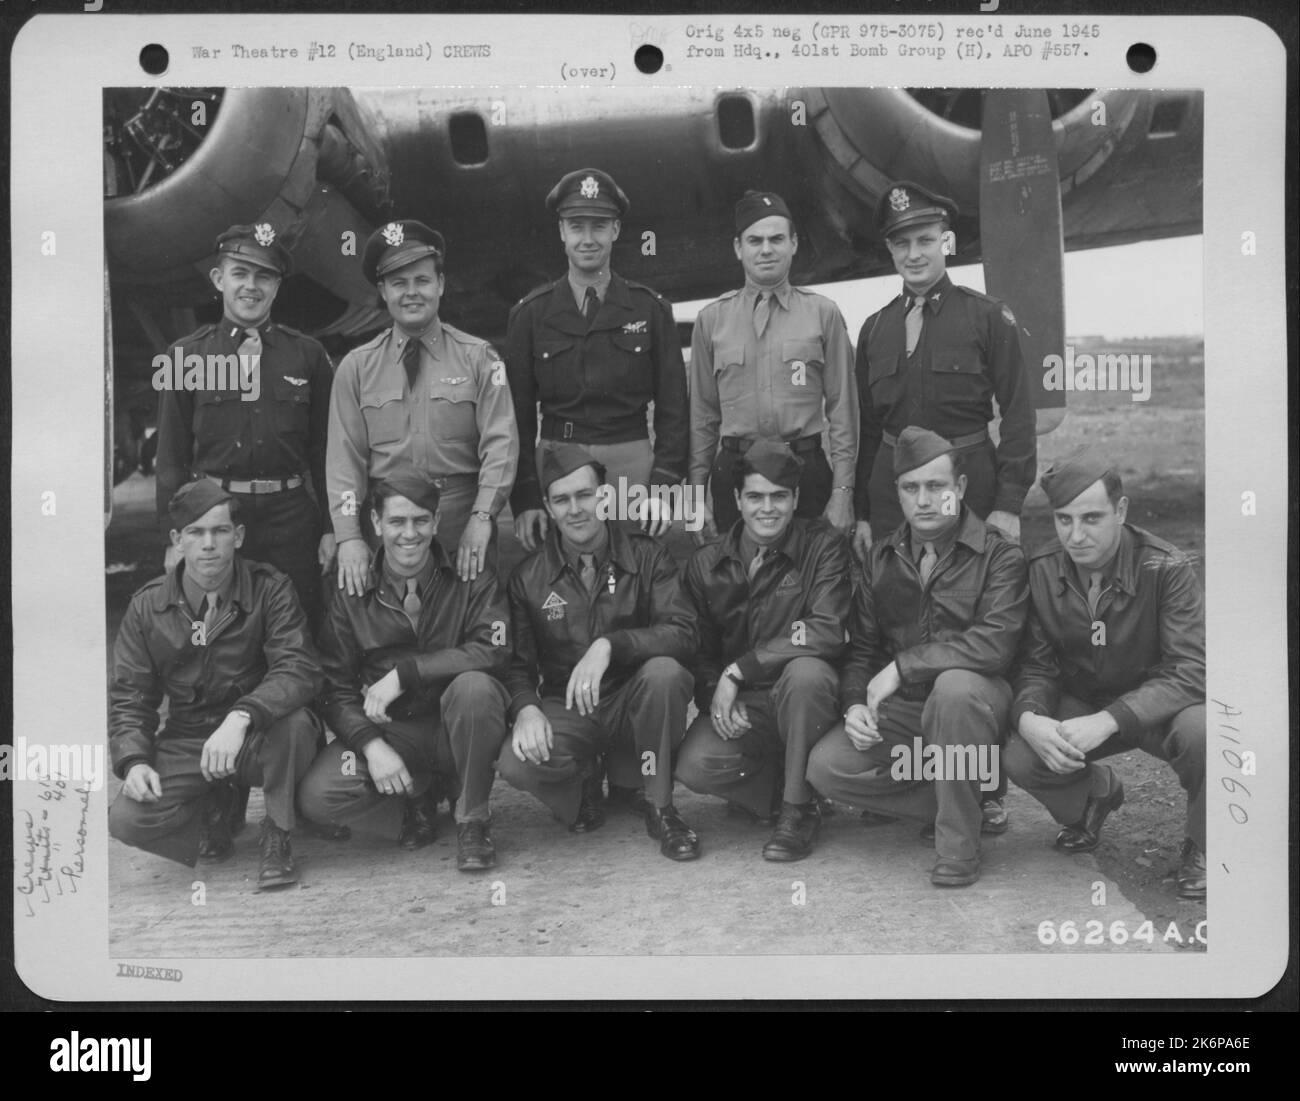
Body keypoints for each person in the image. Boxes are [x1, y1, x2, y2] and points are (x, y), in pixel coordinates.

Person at [807, 427, 1028, 887]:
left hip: (980, 707)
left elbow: (994, 644)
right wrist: (853, 705)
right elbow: (862, 649)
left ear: (960, 489)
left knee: (954, 688)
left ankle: (958, 847)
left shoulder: (999, 553)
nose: (924, 500)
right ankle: (969, 794)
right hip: (910, 714)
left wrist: (904, 666)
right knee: (827, 766)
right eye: (911, 488)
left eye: (937, 487)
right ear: (898, 494)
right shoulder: (881, 557)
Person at [1004, 449, 1206, 900]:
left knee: (1204, 730)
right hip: (1083, 699)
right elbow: (1035, 664)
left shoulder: (1166, 566)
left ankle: (1206, 842)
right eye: (1063, 520)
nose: (1076, 536)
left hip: (1158, 706)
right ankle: (1093, 796)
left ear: (1121, 511)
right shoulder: (1040, 570)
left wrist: (1111, 719)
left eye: (1092, 518)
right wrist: (1029, 716)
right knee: (1020, 750)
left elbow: (1190, 669)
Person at [108, 481, 323, 888]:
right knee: (127, 820)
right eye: (196, 532)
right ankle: (216, 804)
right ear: (177, 540)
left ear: (238, 537)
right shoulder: (147, 606)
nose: (209, 544)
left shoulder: (270, 588)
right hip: (189, 737)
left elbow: (299, 667)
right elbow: (129, 696)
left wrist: (243, 715)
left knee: (295, 725)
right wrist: (133, 760)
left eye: (220, 531)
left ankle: (277, 831)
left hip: (259, 732)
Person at [298, 472, 512, 872]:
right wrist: (370, 746)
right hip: (393, 731)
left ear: (437, 522)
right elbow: (334, 686)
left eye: (420, 521)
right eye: (396, 522)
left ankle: (473, 821)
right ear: (376, 525)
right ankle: (416, 804)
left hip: (457, 724)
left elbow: (494, 648)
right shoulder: (352, 589)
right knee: (319, 794)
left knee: (475, 687)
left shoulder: (471, 574)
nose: (409, 534)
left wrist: (408, 672)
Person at [496, 445, 700, 860]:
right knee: (516, 763)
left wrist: (612, 644)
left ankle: (658, 803)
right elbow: (516, 665)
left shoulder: (647, 557)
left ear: (605, 496)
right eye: (561, 500)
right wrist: (526, 709)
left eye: (584, 495)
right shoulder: (528, 578)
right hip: (569, 708)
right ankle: (582, 781)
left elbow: (683, 632)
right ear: (549, 509)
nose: (575, 509)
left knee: (666, 674)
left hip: (632, 701)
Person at [154, 222, 335, 630]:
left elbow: (325, 452)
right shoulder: (184, 357)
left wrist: (330, 528)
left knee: (299, 631)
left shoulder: (308, 356)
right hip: (215, 521)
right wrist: (175, 536)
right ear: (219, 279)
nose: (251, 286)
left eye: (264, 275)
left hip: (291, 522)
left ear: (277, 286)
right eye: (240, 273)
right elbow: (171, 459)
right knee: (219, 636)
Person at [675, 441, 851, 861]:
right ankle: (785, 787)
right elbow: (697, 650)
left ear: (794, 500)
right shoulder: (706, 563)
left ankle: (797, 811)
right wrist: (714, 695)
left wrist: (741, 669)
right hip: (748, 705)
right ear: (737, 499)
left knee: (806, 673)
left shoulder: (823, 547)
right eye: (755, 497)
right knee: (694, 765)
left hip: (809, 701)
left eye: (778, 497)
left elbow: (827, 628)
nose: (766, 508)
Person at [328, 220, 519, 593]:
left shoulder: (481, 359)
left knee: (475, 629)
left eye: (422, 281)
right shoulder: (356, 367)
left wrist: (483, 518)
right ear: (383, 291)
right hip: (392, 525)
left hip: (460, 518)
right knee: (392, 633)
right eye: (399, 284)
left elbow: (501, 444)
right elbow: (343, 461)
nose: (411, 293)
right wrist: (348, 536)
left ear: (441, 285)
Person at [852, 180, 1036, 559]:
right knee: (896, 597)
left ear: (946, 243)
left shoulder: (988, 318)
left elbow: (1018, 414)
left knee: (970, 595)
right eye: (901, 243)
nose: (914, 254)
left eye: (925, 240)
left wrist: (1009, 504)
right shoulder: (874, 330)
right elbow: (868, 431)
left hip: (968, 488)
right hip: (894, 496)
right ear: (889, 248)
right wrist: (864, 513)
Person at [506, 168, 688, 549]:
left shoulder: (650, 310)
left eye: (599, 226)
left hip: (629, 464)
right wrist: (525, 498)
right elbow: (517, 417)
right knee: (562, 576)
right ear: (561, 231)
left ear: (616, 230)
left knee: (636, 571)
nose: (587, 239)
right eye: (576, 226)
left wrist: (663, 485)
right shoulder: (530, 315)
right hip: (558, 463)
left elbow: (674, 410)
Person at [689, 190, 858, 541]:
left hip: (804, 470)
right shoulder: (711, 320)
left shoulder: (822, 313)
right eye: (755, 240)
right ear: (738, 248)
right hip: (735, 470)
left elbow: (844, 411)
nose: (766, 249)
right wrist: (694, 497)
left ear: (794, 244)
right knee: (736, 584)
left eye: (777, 239)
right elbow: (703, 418)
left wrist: (843, 492)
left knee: (813, 581)